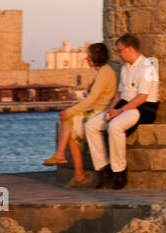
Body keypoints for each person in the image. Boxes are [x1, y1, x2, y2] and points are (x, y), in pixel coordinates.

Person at [85, 33, 159, 189]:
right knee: (91, 125)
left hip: (143, 108)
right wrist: (112, 110)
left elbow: (142, 97)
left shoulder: (147, 68)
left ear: (130, 49)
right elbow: (120, 93)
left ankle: (119, 171)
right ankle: (103, 168)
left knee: (115, 126)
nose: (118, 54)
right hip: (125, 105)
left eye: (119, 50)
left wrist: (118, 113)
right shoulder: (125, 67)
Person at [42, 43, 116, 185]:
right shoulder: (102, 72)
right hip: (96, 109)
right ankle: (78, 174)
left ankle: (61, 156)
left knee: (67, 118)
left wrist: (70, 111)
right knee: (70, 130)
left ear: (95, 57)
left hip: (99, 111)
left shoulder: (105, 73)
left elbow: (92, 99)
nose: (86, 59)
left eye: (88, 56)